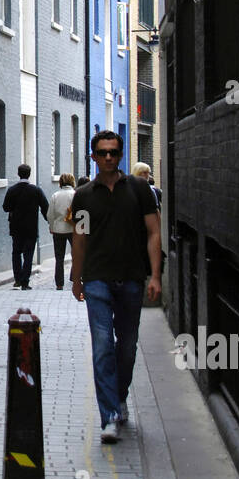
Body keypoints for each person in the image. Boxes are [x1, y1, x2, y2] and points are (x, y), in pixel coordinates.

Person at [70, 131, 161, 444]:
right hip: (97, 280)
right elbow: (79, 238)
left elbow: (153, 233)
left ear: (120, 155)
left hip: (132, 279)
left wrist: (156, 276)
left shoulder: (140, 190)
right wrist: (75, 276)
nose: (108, 157)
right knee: (102, 346)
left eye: (113, 152)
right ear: (93, 157)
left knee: (127, 346)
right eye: (102, 152)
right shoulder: (82, 195)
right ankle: (108, 415)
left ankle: (120, 396)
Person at [2, 163, 49, 290]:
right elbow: (45, 207)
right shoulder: (36, 190)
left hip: (16, 227)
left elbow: (6, 207)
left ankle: (17, 278)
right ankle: (25, 282)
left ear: (18, 174)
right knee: (28, 254)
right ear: (29, 174)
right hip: (31, 228)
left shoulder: (12, 190)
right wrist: (49, 221)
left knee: (16, 253)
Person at [46, 172, 77, 290]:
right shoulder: (75, 194)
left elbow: (50, 214)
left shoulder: (55, 195)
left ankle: (59, 284)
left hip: (58, 229)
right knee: (76, 255)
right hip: (73, 229)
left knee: (59, 258)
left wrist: (52, 226)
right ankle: (75, 278)